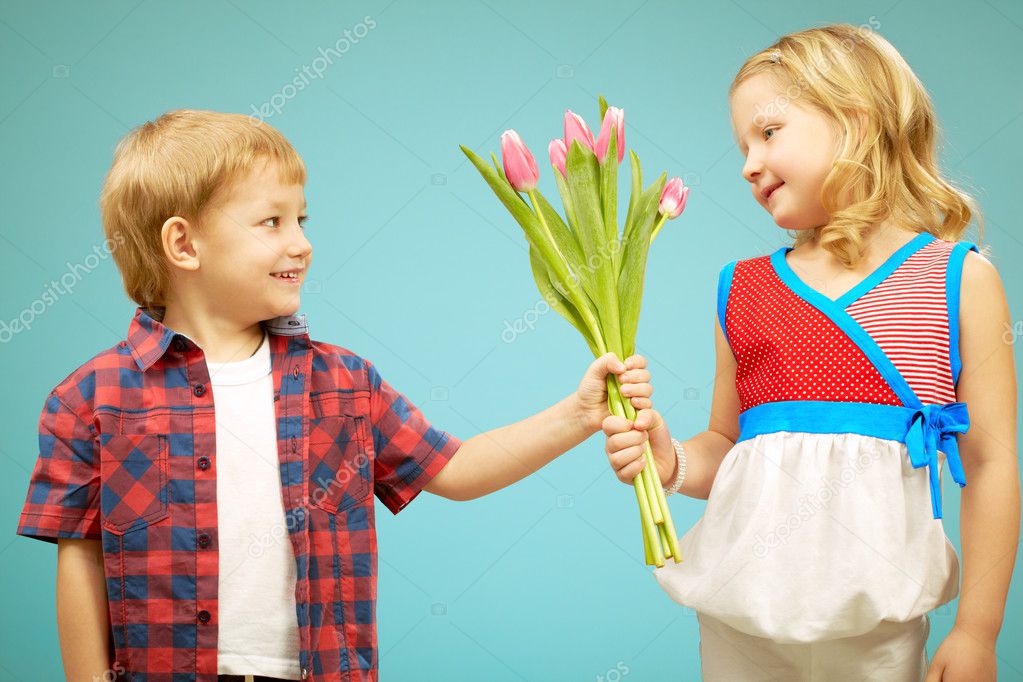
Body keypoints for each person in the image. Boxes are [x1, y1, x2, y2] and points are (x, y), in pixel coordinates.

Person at [14, 109, 651, 682]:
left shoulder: (344, 384)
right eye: (271, 221)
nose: (302, 241)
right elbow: (82, 558)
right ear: (184, 244)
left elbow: (455, 470)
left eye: (301, 219)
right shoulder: (88, 398)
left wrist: (580, 413)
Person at [602, 24, 1018, 682]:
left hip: (876, 624)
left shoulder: (957, 281)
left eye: (767, 133)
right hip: (739, 622)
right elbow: (726, 443)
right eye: (741, 145)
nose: (746, 164)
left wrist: (976, 629)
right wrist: (671, 459)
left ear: (854, 119)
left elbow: (991, 465)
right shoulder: (742, 288)